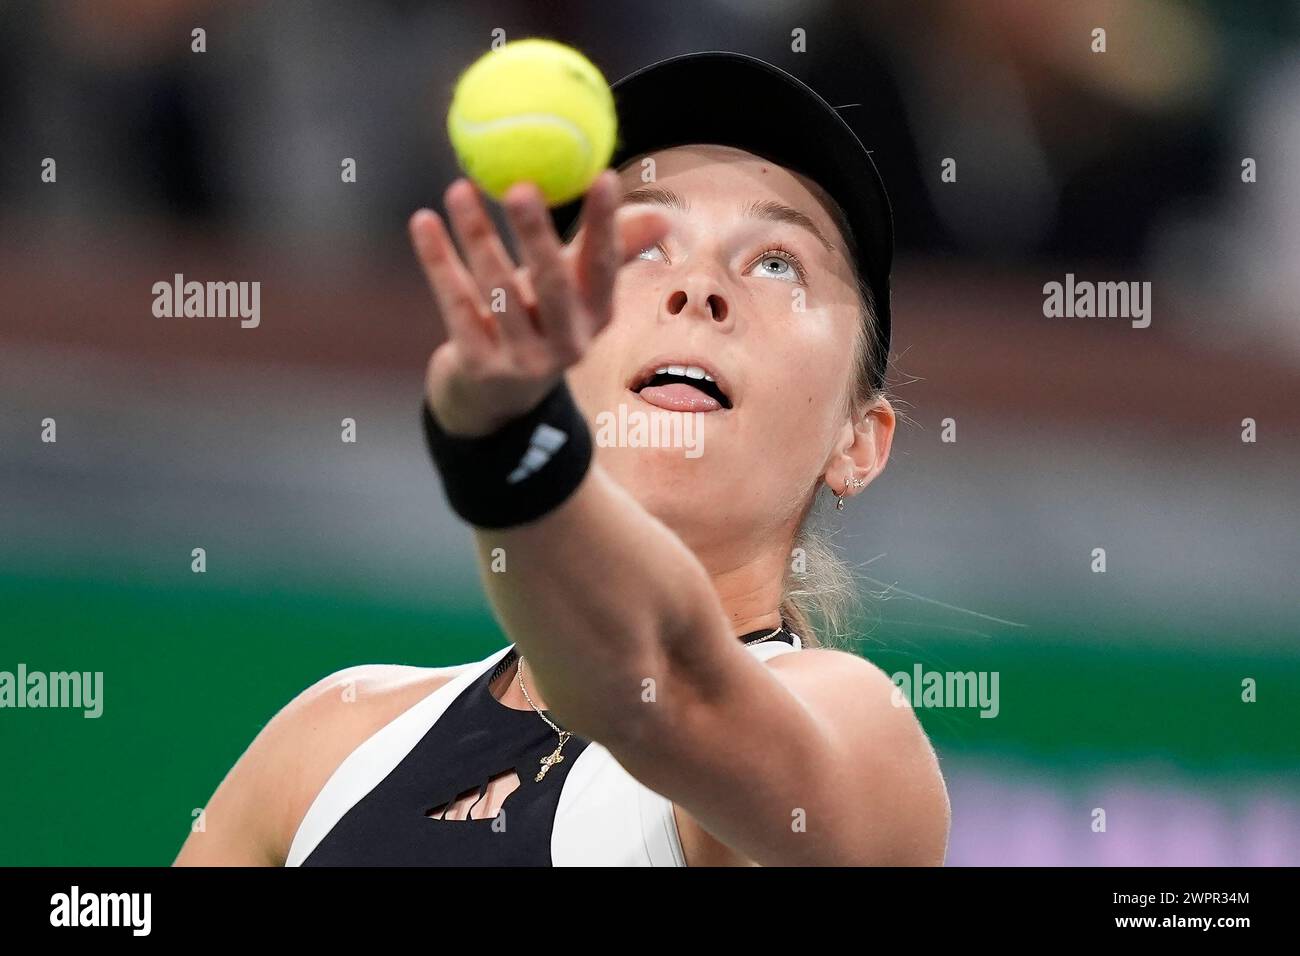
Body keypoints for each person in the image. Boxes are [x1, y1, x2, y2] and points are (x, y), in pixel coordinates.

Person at [174, 51, 949, 867]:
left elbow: (647, 688)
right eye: (644, 243)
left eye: (777, 261)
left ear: (857, 441)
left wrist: (508, 457)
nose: (699, 286)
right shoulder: (327, 741)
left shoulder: (859, 737)